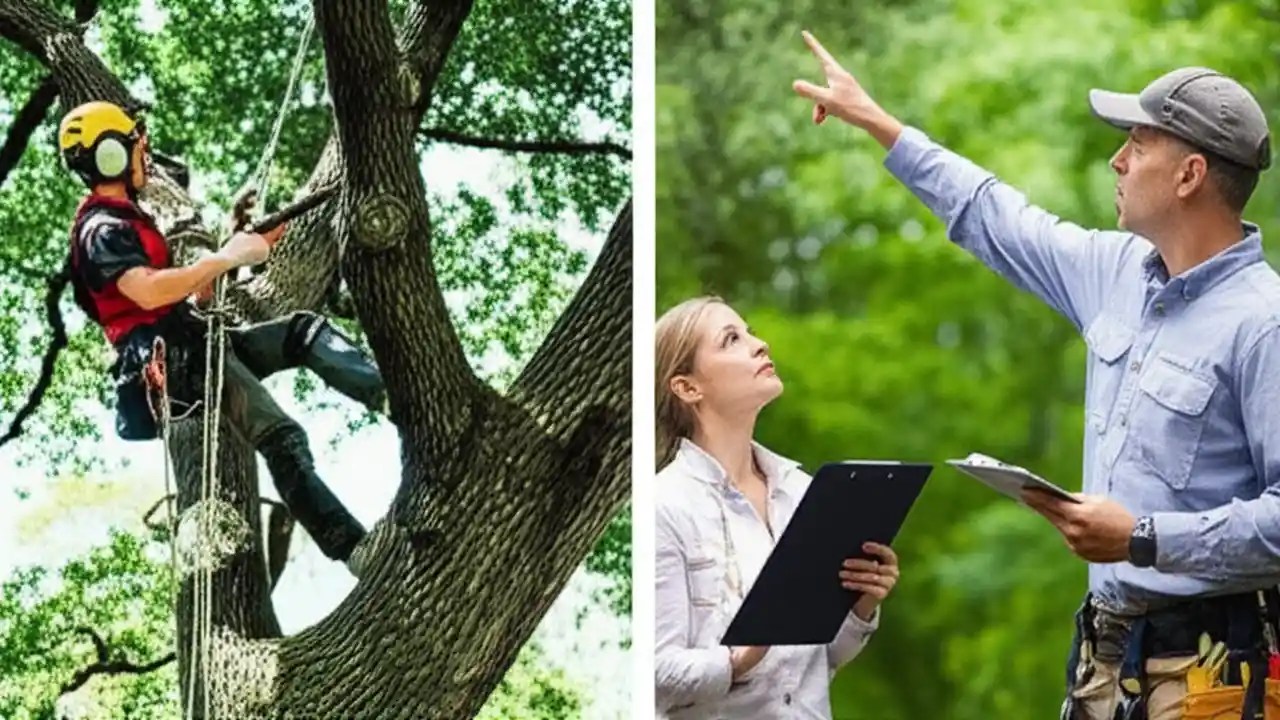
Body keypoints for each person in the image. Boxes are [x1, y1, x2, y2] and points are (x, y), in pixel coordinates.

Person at [793, 30, 1280, 720]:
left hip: (1214, 680)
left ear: (1189, 175)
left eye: (1136, 146)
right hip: (1100, 667)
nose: (1117, 160)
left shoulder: (1265, 323)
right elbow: (995, 215)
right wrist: (878, 122)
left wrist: (1143, 536)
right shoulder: (1112, 273)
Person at [59, 100, 397, 577]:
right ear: (110, 154)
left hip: (193, 342)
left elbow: (189, 295)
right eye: (137, 145)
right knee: (281, 437)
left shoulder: (126, 221)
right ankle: (355, 549)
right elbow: (148, 290)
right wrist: (224, 259)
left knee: (302, 331)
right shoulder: (100, 228)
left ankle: (392, 397)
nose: (146, 155)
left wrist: (236, 245)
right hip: (172, 362)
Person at [654, 295, 902, 719]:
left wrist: (860, 605)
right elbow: (655, 673)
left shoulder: (804, 493)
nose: (759, 344)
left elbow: (823, 659)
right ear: (687, 387)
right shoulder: (665, 506)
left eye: (749, 331)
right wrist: (739, 658)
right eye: (731, 339)